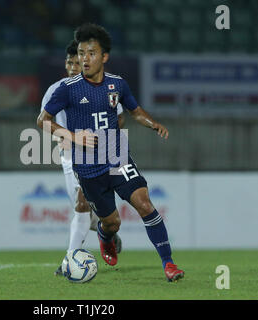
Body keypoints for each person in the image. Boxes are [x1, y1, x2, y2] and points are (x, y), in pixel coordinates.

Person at [37, 23, 184, 282]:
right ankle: (105, 236)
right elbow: (43, 120)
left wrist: (153, 123)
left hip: (116, 155)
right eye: (81, 53)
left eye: (91, 53)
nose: (84, 59)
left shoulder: (117, 84)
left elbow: (134, 111)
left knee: (144, 202)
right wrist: (73, 136)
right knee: (112, 222)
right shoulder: (67, 88)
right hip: (87, 165)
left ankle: (169, 264)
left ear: (104, 56)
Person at [40, 39, 125, 276]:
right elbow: (45, 122)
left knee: (82, 203)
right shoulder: (56, 90)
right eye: (70, 62)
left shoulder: (102, 87)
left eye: (78, 62)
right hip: (69, 156)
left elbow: (119, 117)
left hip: (98, 154)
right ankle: (106, 231)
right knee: (85, 214)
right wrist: (68, 136)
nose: (73, 66)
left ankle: (70, 259)